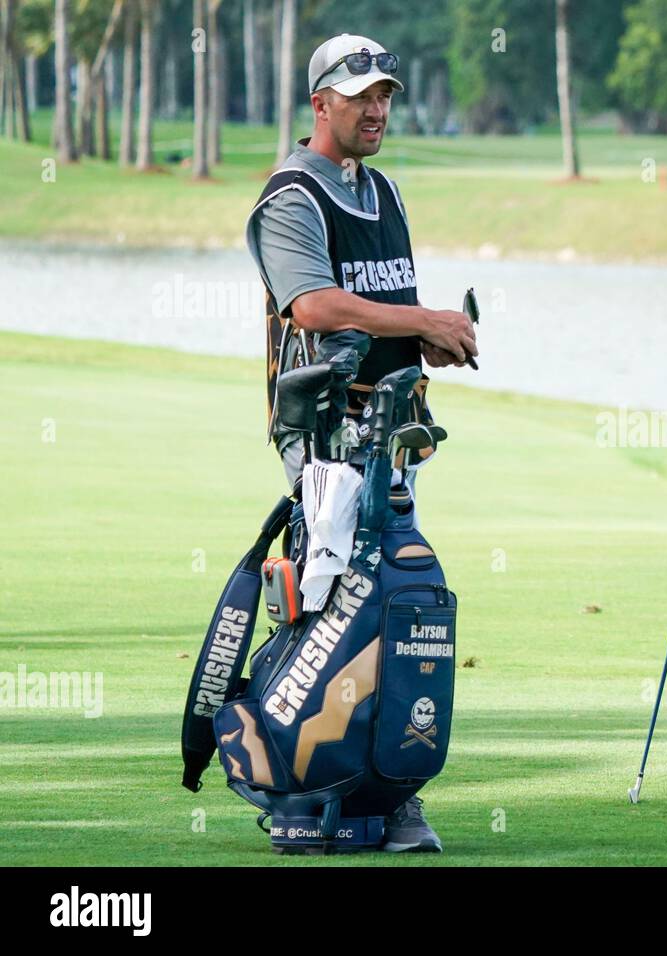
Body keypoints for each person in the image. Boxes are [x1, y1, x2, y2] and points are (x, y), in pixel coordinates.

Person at [245, 33, 477, 849]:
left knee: (381, 609)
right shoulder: (292, 197)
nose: (377, 110)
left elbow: (385, 308)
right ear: (321, 104)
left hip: (389, 434)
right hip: (325, 440)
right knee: (328, 610)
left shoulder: (384, 193)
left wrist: (431, 345)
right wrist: (424, 321)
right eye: (360, 98)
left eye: (385, 96)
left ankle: (379, 788)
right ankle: (308, 787)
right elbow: (311, 305)